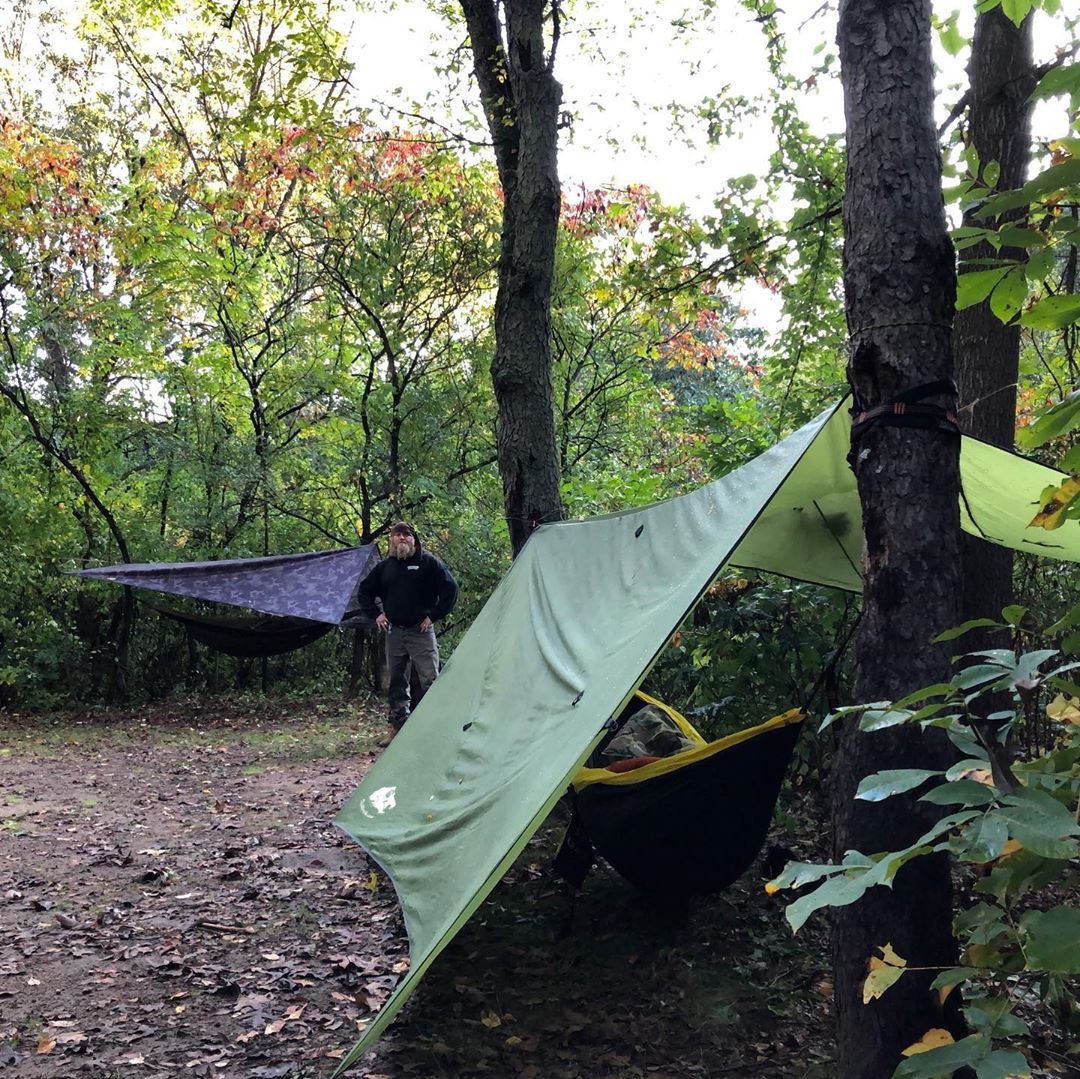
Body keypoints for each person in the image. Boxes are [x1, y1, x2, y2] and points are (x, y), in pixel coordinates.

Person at [357, 521, 458, 729]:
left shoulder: (428, 563)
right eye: (397, 534)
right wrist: (376, 614)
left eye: (407, 535)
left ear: (414, 540)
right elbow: (364, 591)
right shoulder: (385, 567)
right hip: (394, 632)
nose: (402, 538)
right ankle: (398, 729)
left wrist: (433, 616)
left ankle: (437, 728)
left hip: (421, 632)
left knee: (430, 679)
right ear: (392, 540)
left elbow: (451, 589)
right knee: (397, 682)